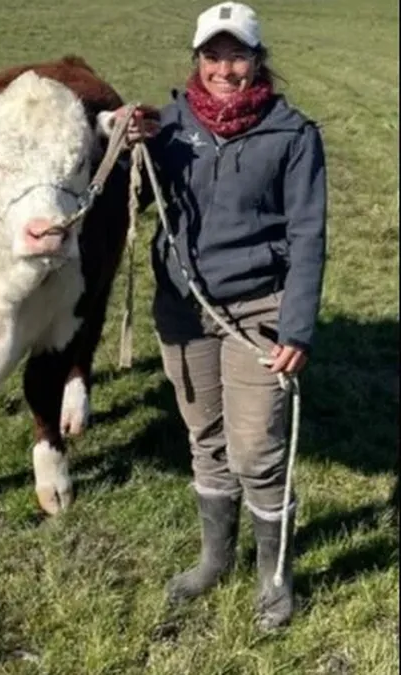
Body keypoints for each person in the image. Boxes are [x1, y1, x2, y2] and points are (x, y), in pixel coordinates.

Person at [125, 1, 327, 631]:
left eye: (237, 55)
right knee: (205, 441)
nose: (224, 68)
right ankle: (215, 560)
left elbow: (309, 235)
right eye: (213, 55)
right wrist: (129, 143)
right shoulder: (169, 127)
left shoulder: (293, 135)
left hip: (258, 312)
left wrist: (296, 326)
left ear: (257, 60)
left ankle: (274, 576)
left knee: (257, 450)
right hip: (184, 312)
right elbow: (132, 200)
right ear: (198, 61)